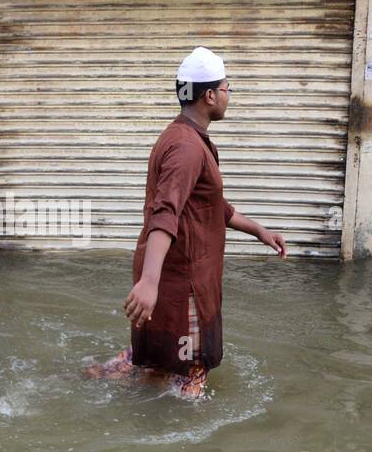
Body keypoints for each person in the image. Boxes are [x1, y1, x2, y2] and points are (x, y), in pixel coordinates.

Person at [86, 47, 287, 398]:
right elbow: (167, 212)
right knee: (191, 373)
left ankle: (86, 378)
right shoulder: (187, 148)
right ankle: (178, 449)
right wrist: (150, 282)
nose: (229, 94)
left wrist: (259, 231)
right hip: (183, 283)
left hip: (172, 275)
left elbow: (209, 205)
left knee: (155, 363)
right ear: (209, 95)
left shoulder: (185, 138)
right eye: (227, 87)